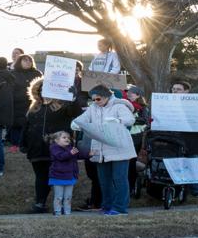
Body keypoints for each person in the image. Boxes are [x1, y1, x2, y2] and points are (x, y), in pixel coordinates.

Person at [78, 86, 136, 215]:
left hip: (119, 147)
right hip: (100, 148)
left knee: (119, 178)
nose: (95, 102)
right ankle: (107, 205)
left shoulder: (119, 106)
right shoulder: (93, 108)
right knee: (104, 180)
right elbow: (84, 118)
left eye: (98, 99)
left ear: (106, 96)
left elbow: (130, 119)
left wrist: (118, 120)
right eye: (93, 99)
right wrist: (77, 123)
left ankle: (120, 208)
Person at [22, 90, 82, 213]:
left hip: (58, 149)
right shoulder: (34, 108)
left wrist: (73, 98)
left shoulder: (64, 106)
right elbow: (26, 126)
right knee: (40, 177)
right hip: (37, 148)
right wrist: (23, 143)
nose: (45, 93)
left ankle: (60, 206)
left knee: (58, 176)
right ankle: (40, 203)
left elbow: (76, 112)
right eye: (42, 90)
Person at [168, 82, 198, 197]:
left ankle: (197, 192)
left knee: (194, 164)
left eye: (178, 89)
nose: (174, 91)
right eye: (173, 89)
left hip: (192, 140)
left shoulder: (196, 104)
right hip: (173, 140)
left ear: (186, 91)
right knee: (175, 165)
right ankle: (177, 190)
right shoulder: (166, 104)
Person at [46, 131, 84, 215]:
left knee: (68, 196)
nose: (67, 139)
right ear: (56, 140)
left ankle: (67, 212)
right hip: (58, 176)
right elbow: (61, 156)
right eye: (64, 137)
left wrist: (89, 154)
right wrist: (70, 153)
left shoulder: (71, 148)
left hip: (70, 176)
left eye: (68, 137)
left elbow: (79, 155)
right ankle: (57, 212)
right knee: (59, 196)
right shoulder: (54, 148)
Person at [8, 54, 39, 151]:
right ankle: (15, 145)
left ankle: (26, 145)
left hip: (32, 104)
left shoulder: (37, 73)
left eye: (29, 60)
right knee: (16, 125)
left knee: (30, 125)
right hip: (16, 104)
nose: (27, 62)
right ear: (19, 62)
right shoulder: (13, 73)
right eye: (25, 60)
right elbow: (9, 89)